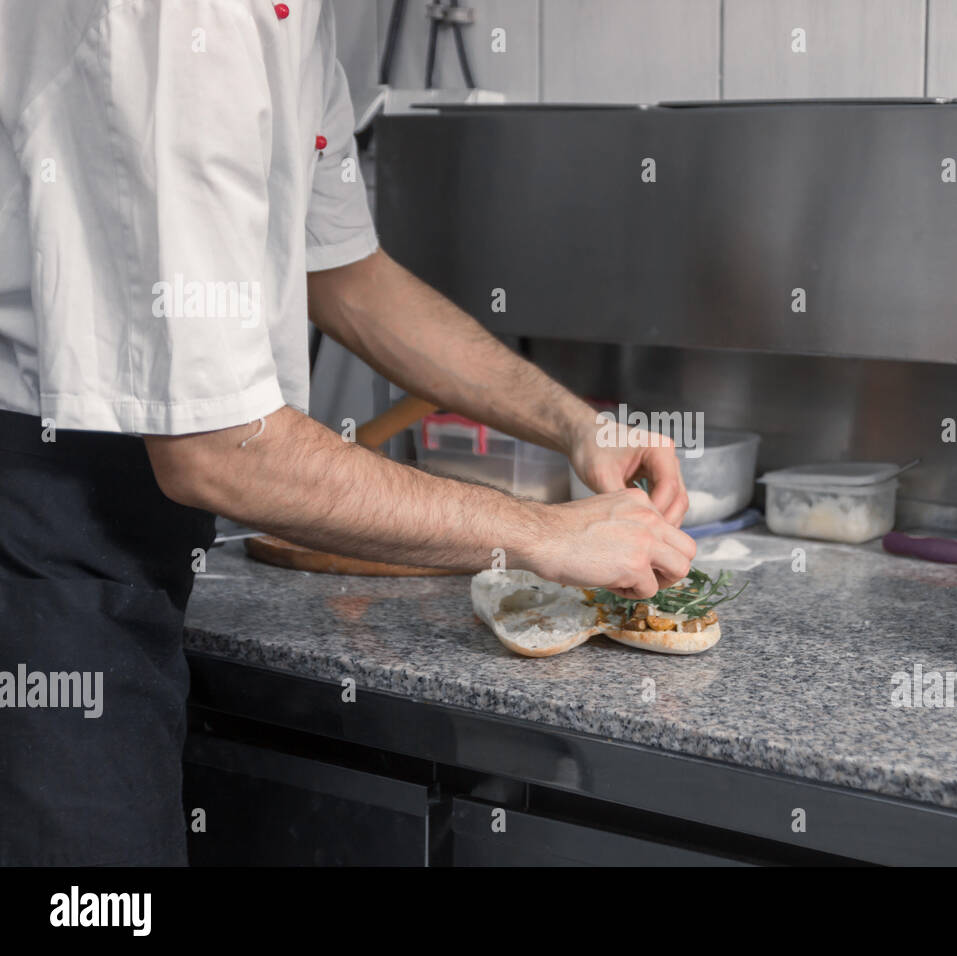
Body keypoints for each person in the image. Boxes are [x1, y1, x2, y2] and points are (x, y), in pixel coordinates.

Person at [0, 0, 695, 865]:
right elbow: (218, 452)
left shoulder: (294, 18)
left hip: (131, 529)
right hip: (42, 535)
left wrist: (576, 427)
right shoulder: (186, 20)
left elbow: (346, 277)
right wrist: (542, 534)